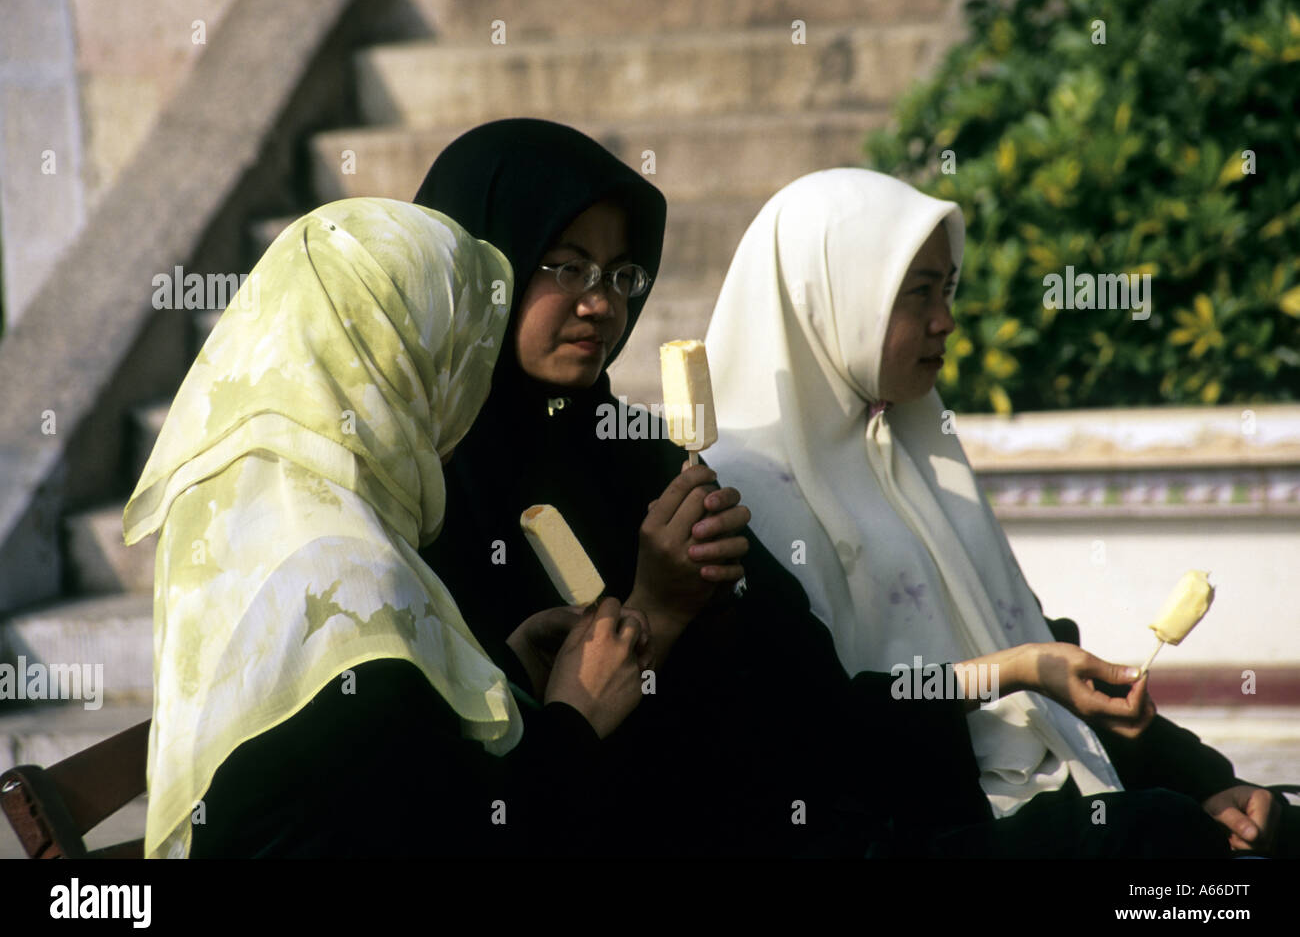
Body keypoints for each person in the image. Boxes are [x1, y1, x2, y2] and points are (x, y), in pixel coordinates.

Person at [412, 120, 1232, 857]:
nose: (600, 303)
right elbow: (505, 793)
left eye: (622, 275)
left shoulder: (652, 467)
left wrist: (1038, 674)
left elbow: (820, 707)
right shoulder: (430, 496)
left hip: (844, 818)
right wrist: (656, 612)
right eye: (565, 266)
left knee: (1171, 839)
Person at [704, 168, 1292, 855]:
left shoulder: (914, 448)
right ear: (824, 302)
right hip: (901, 831)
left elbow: (1047, 663)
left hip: (1041, 793)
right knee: (1151, 837)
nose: (945, 320)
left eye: (947, 290)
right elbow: (828, 723)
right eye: (917, 293)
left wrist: (1211, 782)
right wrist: (1011, 672)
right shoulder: (736, 496)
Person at [122, 197, 649, 858]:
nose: (470, 390)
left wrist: (507, 665)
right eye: (456, 353)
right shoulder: (352, 585)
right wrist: (577, 717)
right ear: (399, 361)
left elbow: (375, 776)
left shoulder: (255, 521)